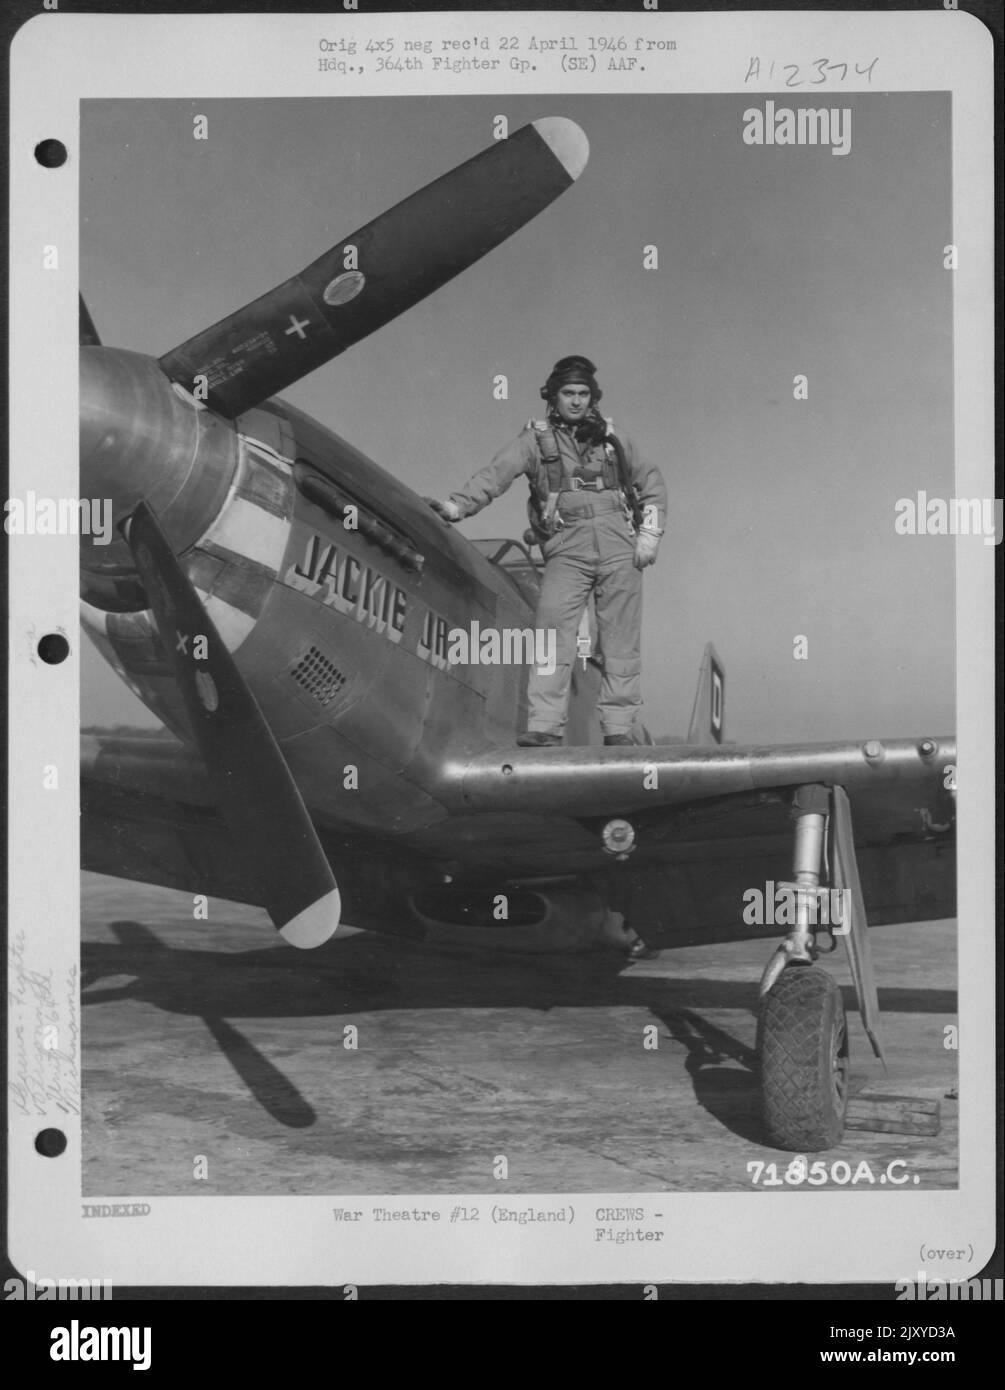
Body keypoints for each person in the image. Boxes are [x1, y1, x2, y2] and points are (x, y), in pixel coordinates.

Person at [428, 356, 667, 746]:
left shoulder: (614, 439)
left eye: (583, 394)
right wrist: (456, 507)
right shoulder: (534, 441)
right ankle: (545, 726)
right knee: (552, 634)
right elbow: (495, 476)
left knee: (620, 640)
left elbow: (652, 483)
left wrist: (650, 534)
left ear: (593, 398)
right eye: (568, 393)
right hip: (566, 545)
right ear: (552, 397)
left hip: (618, 542)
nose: (576, 401)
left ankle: (619, 730)